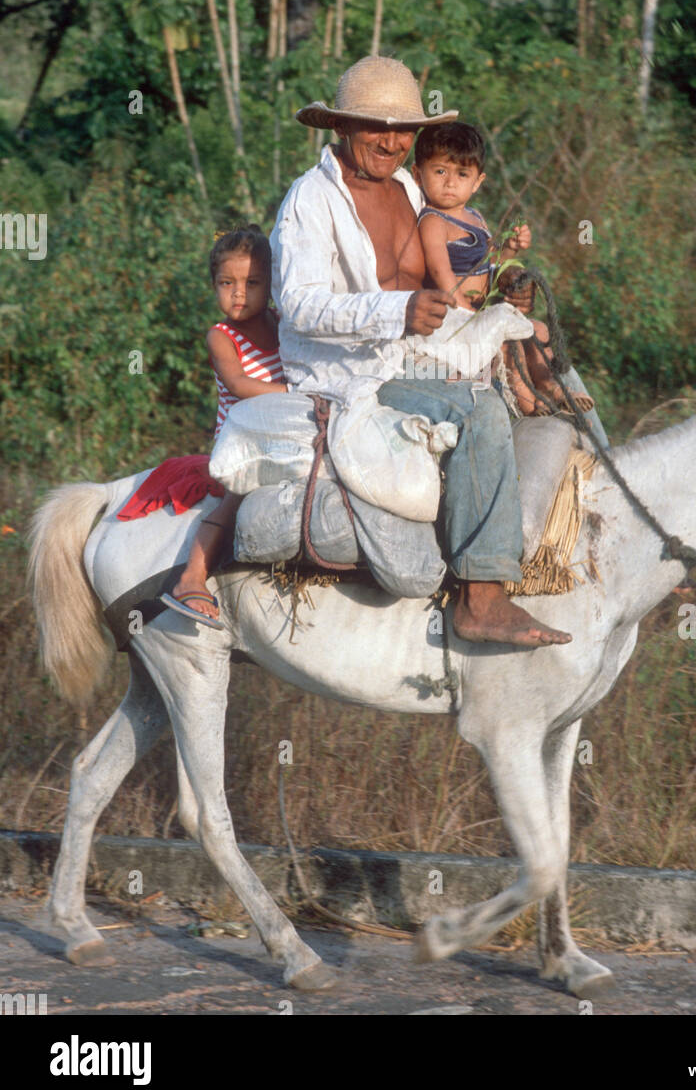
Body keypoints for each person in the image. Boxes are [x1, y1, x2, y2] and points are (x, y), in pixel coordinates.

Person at [270, 55, 574, 648]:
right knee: (478, 408)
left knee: (552, 361)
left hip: (417, 348)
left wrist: (497, 270)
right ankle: (482, 597)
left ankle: (616, 541)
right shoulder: (310, 199)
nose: (391, 142)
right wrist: (396, 310)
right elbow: (299, 303)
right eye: (375, 126)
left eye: (404, 129)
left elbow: (451, 261)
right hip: (354, 375)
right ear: (341, 127)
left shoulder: (411, 185)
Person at [413, 120, 595, 417]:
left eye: (462, 174)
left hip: (483, 310)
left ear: (477, 182)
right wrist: (474, 319)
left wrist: (510, 248)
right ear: (418, 175)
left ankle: (550, 385)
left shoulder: (474, 216)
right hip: (455, 320)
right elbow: (442, 276)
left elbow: (490, 265)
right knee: (508, 343)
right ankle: (528, 403)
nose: (450, 182)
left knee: (537, 329)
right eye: (440, 171)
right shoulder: (433, 222)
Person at [161, 227, 286, 627]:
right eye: (226, 283)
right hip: (242, 440)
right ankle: (192, 575)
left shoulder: (283, 322)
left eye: (252, 283)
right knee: (238, 494)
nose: (238, 293)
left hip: (286, 434)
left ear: (271, 284)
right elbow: (239, 384)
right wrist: (297, 392)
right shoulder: (221, 336)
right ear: (213, 285)